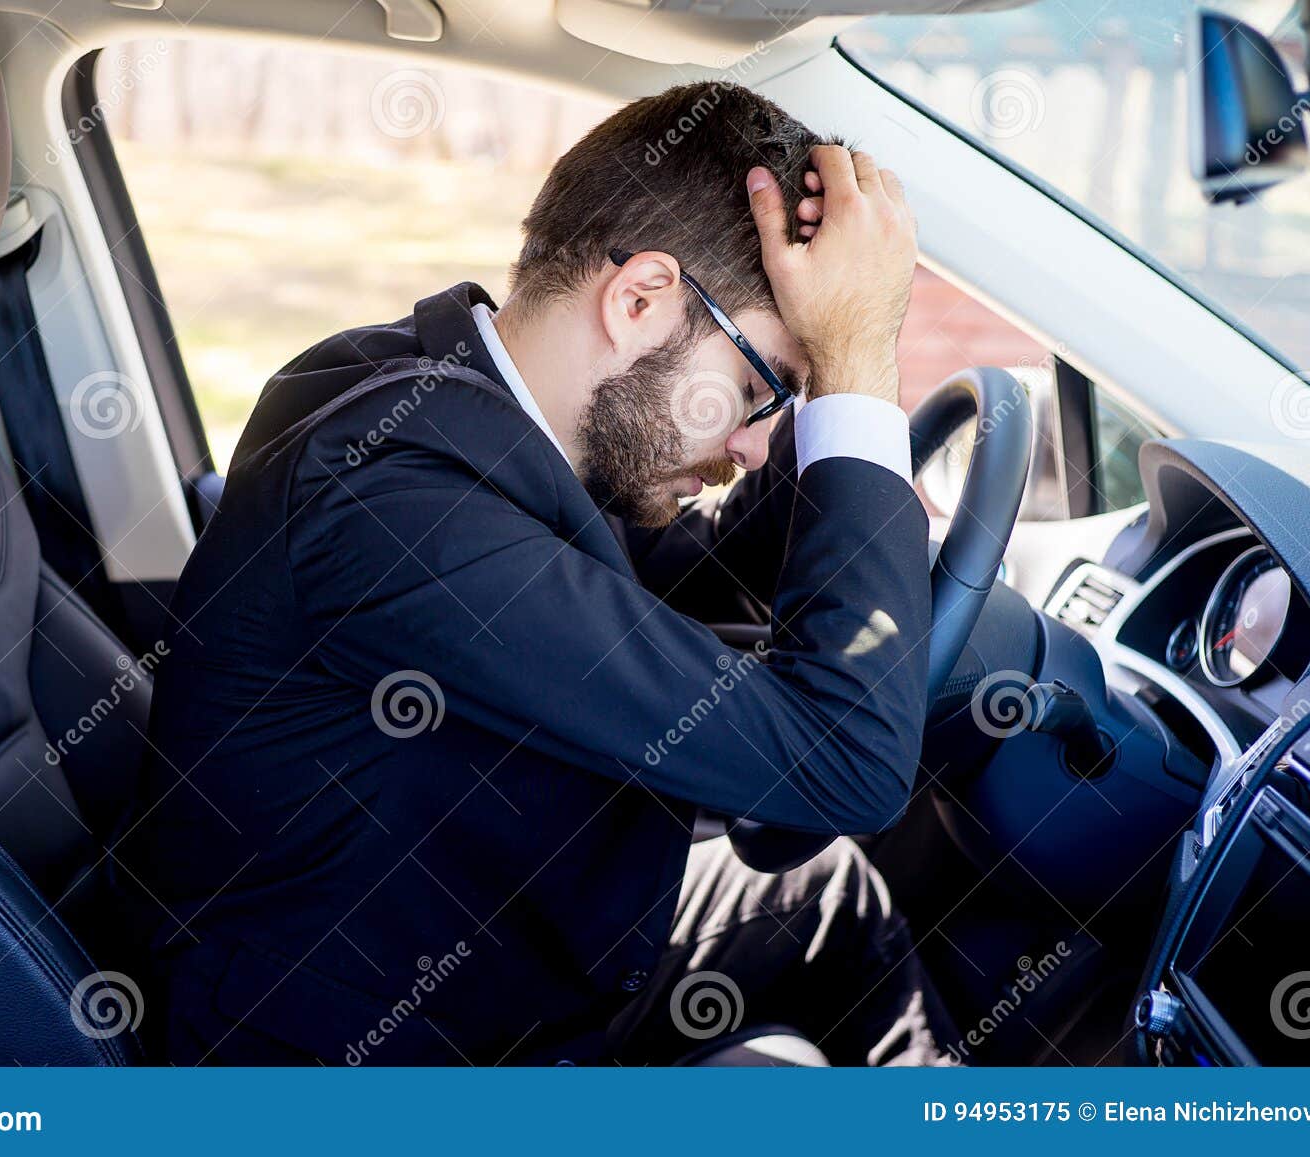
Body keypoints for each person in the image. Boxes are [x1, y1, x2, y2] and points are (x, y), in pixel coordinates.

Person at [115, 82, 956, 1066]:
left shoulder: (436, 390)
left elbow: (676, 575)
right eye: (758, 388)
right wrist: (855, 368)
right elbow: (844, 759)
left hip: (490, 947)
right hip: (368, 1047)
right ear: (639, 301)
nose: (748, 441)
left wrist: (840, 406)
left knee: (825, 896)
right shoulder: (394, 503)